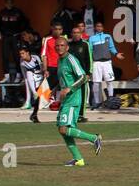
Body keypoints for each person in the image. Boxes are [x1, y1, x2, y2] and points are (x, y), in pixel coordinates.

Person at [53, 36, 102, 167]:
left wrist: (70, 88)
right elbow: (65, 79)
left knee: (64, 129)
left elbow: (83, 77)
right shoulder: (60, 60)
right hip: (66, 99)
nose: (59, 47)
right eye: (57, 45)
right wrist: (56, 88)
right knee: (62, 129)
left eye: (62, 45)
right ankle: (78, 159)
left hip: (73, 98)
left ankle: (94, 138)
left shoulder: (70, 59)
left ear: (67, 47)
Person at [87, 19, 118, 109]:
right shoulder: (92, 38)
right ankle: (97, 102)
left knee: (109, 81)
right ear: (95, 28)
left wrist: (116, 54)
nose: (99, 28)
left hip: (107, 62)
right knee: (96, 83)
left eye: (100, 26)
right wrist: (90, 62)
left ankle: (111, 100)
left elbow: (112, 47)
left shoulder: (108, 36)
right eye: (97, 26)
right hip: (96, 63)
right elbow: (90, 51)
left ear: (103, 28)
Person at [18, 42, 43, 123]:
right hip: (31, 79)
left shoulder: (35, 58)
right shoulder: (22, 63)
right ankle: (32, 97)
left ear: (27, 53)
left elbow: (42, 68)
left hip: (40, 77)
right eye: (20, 54)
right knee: (28, 76)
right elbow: (25, 76)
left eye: (23, 53)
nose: (21, 55)